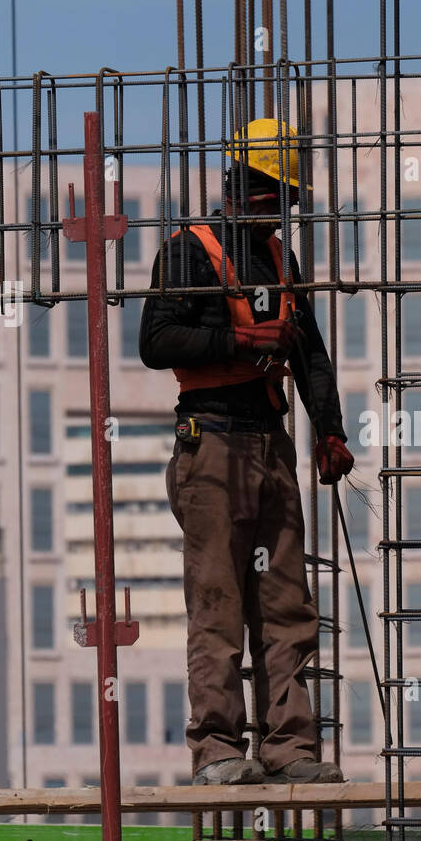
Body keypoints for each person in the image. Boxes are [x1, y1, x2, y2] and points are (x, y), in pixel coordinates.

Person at [140, 117, 354, 785]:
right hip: (211, 446)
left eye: (287, 197)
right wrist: (239, 343)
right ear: (247, 185)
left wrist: (330, 431)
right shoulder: (189, 249)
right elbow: (157, 341)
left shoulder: (279, 258)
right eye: (276, 193)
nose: (283, 208)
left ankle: (291, 748)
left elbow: (310, 355)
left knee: (287, 603)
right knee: (218, 601)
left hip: (271, 444)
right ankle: (218, 747)